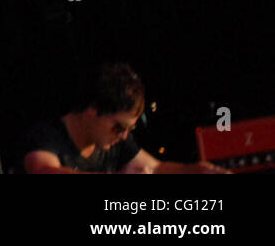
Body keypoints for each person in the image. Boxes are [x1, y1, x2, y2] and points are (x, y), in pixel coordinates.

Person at [21, 62, 229, 174]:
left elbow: (154, 168)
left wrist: (195, 171)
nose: (123, 136)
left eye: (129, 129)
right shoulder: (46, 136)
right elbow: (43, 171)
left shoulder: (114, 141)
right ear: (93, 110)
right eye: (119, 127)